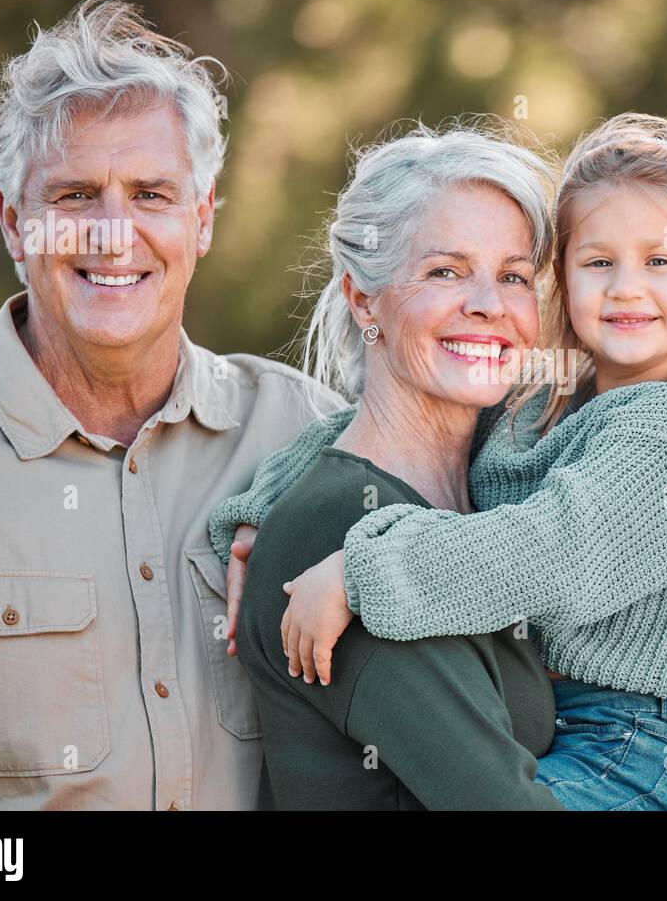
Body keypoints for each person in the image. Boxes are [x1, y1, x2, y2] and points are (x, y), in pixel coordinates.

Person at [213, 114, 667, 810]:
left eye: (512, 276)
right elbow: (337, 432)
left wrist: (362, 572)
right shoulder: (533, 415)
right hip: (586, 736)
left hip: (650, 747)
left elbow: (559, 549)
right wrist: (258, 513)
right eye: (598, 262)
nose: (627, 288)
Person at [0, 0, 341, 810]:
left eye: (153, 195)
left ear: (202, 219)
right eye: (76, 196)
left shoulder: (306, 435)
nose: (113, 233)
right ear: (14, 222)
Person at [233, 121, 567, 809]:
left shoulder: (497, 497)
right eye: (444, 271)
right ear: (363, 300)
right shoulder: (338, 529)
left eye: (513, 276)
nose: (489, 305)